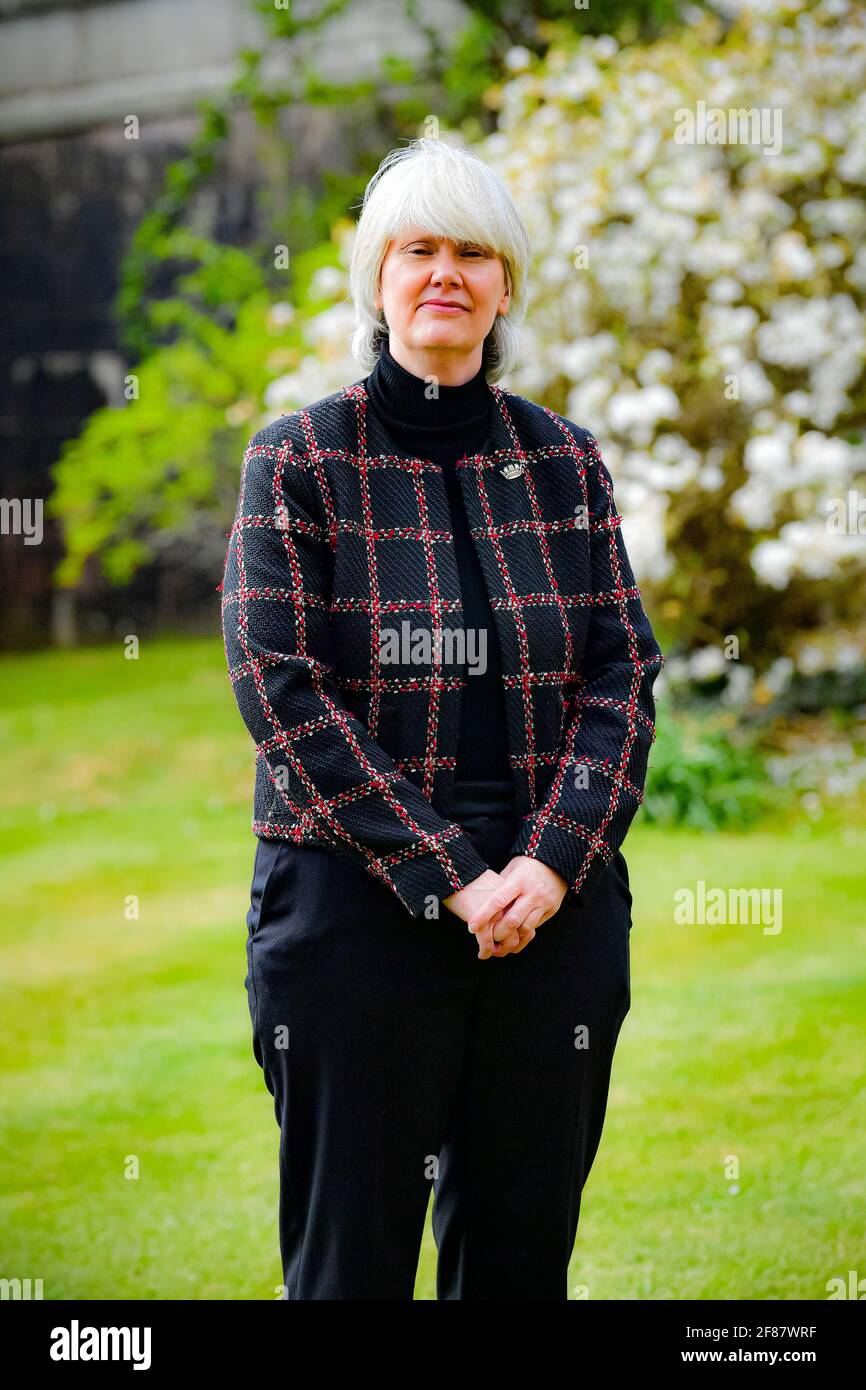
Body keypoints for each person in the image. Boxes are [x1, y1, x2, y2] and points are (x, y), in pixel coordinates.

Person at [221, 137, 665, 1300]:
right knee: (349, 1267)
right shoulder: (299, 460)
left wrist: (547, 865)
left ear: (503, 285)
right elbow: (282, 690)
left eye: (472, 252)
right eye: (416, 249)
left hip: (550, 927)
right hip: (350, 919)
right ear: (378, 279)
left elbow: (621, 676)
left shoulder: (565, 460)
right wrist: (450, 873)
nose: (444, 274)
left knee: (520, 1265)